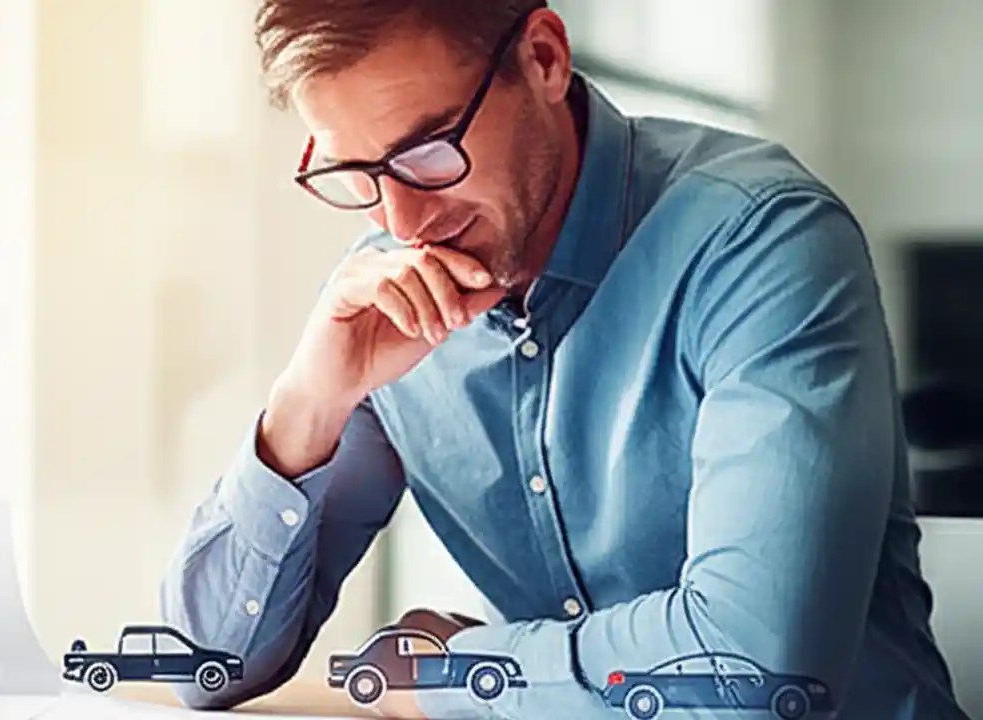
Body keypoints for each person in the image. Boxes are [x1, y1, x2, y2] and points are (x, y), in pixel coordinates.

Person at [160, 2, 967, 718]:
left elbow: (750, 678)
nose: (401, 220)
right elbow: (205, 666)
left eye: (429, 151)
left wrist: (446, 676)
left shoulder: (761, 241)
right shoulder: (396, 300)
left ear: (544, 58)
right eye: (357, 172)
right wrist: (308, 403)